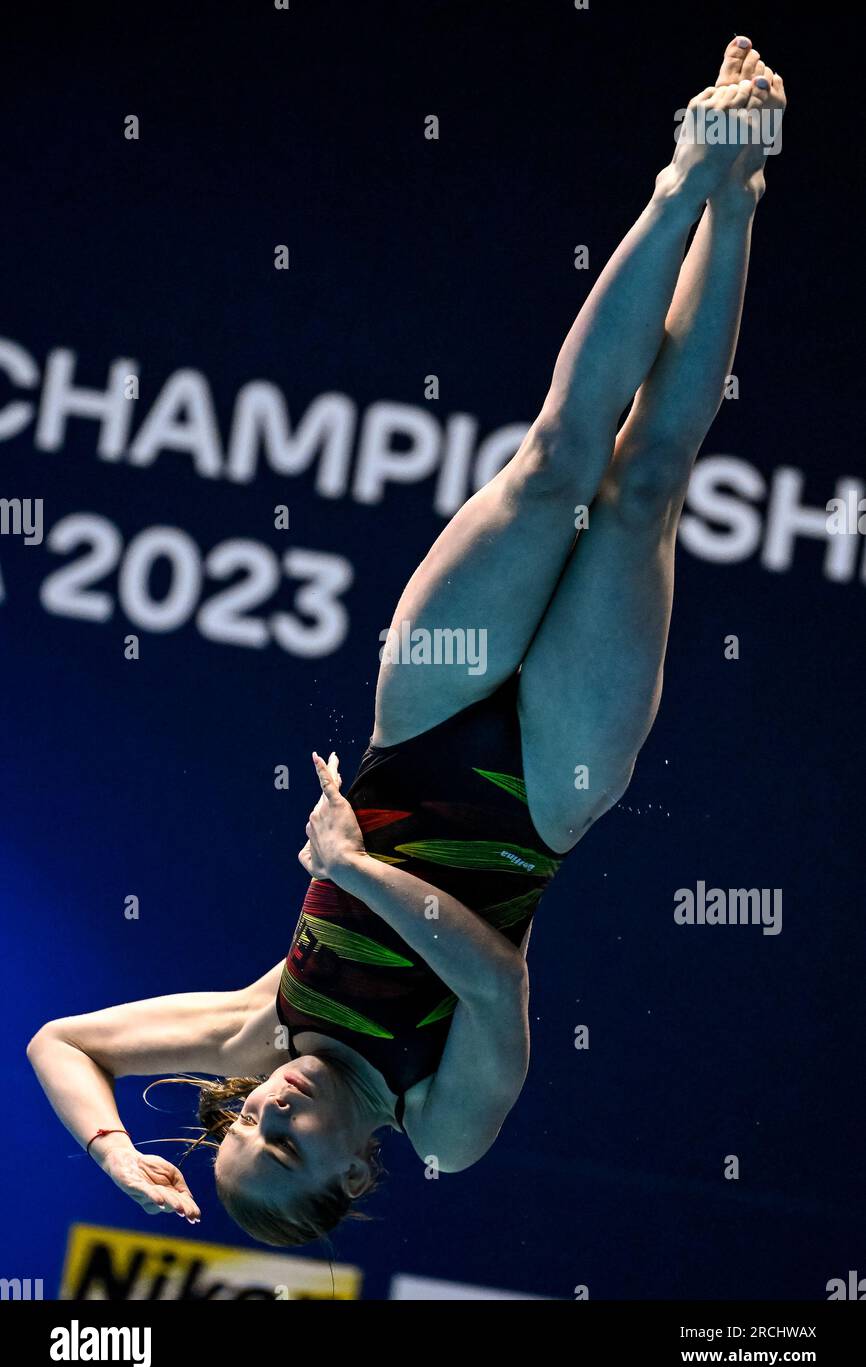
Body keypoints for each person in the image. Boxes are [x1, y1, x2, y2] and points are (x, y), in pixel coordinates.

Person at [27, 38, 786, 1248]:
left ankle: (685, 175)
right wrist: (354, 863)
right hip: (546, 793)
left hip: (421, 729)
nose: (265, 1107)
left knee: (553, 467)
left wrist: (116, 1157)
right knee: (645, 486)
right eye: (286, 1145)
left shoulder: (261, 1024)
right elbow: (496, 979)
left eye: (239, 1125)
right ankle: (741, 193)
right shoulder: (446, 1127)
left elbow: (58, 1041)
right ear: (349, 1174)